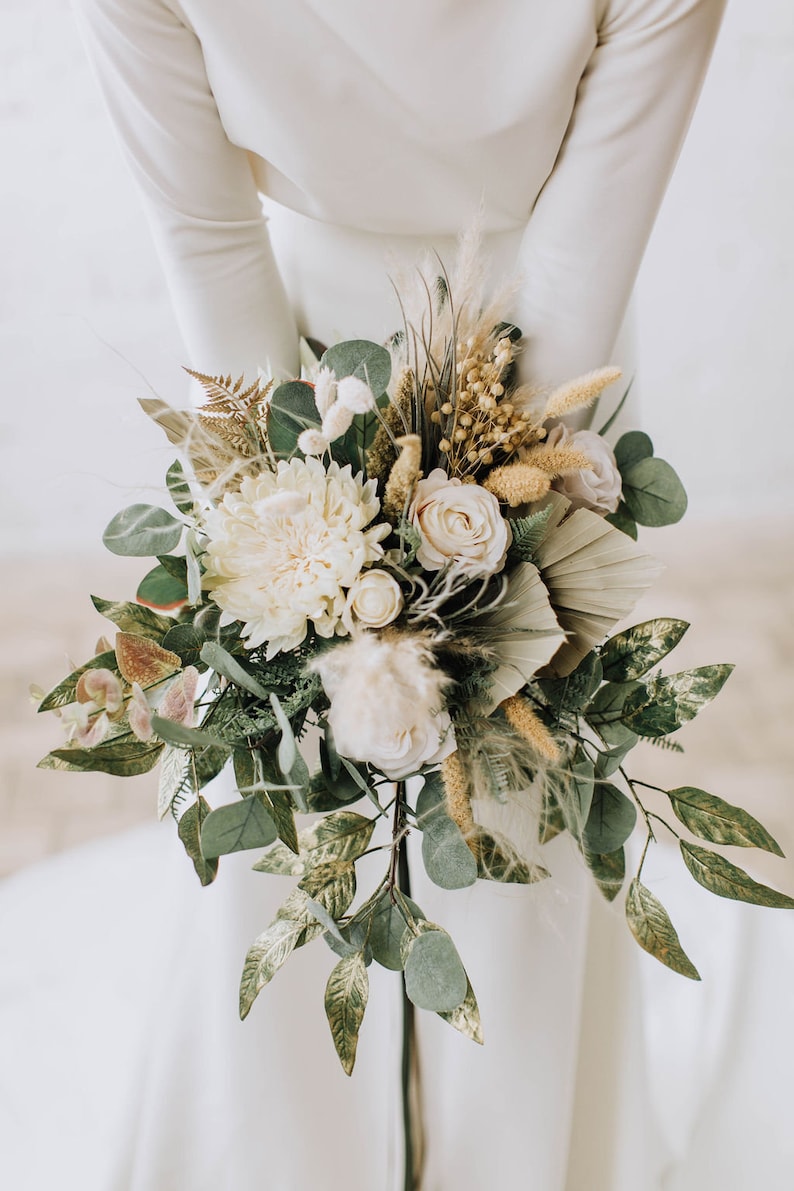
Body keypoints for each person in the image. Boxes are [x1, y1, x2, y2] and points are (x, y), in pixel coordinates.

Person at [0, 2, 743, 1189]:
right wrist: (289, 537)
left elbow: (580, 261)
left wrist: (488, 540)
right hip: (281, 358)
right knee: (284, 813)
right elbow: (213, 245)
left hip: (551, 366)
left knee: (525, 810)